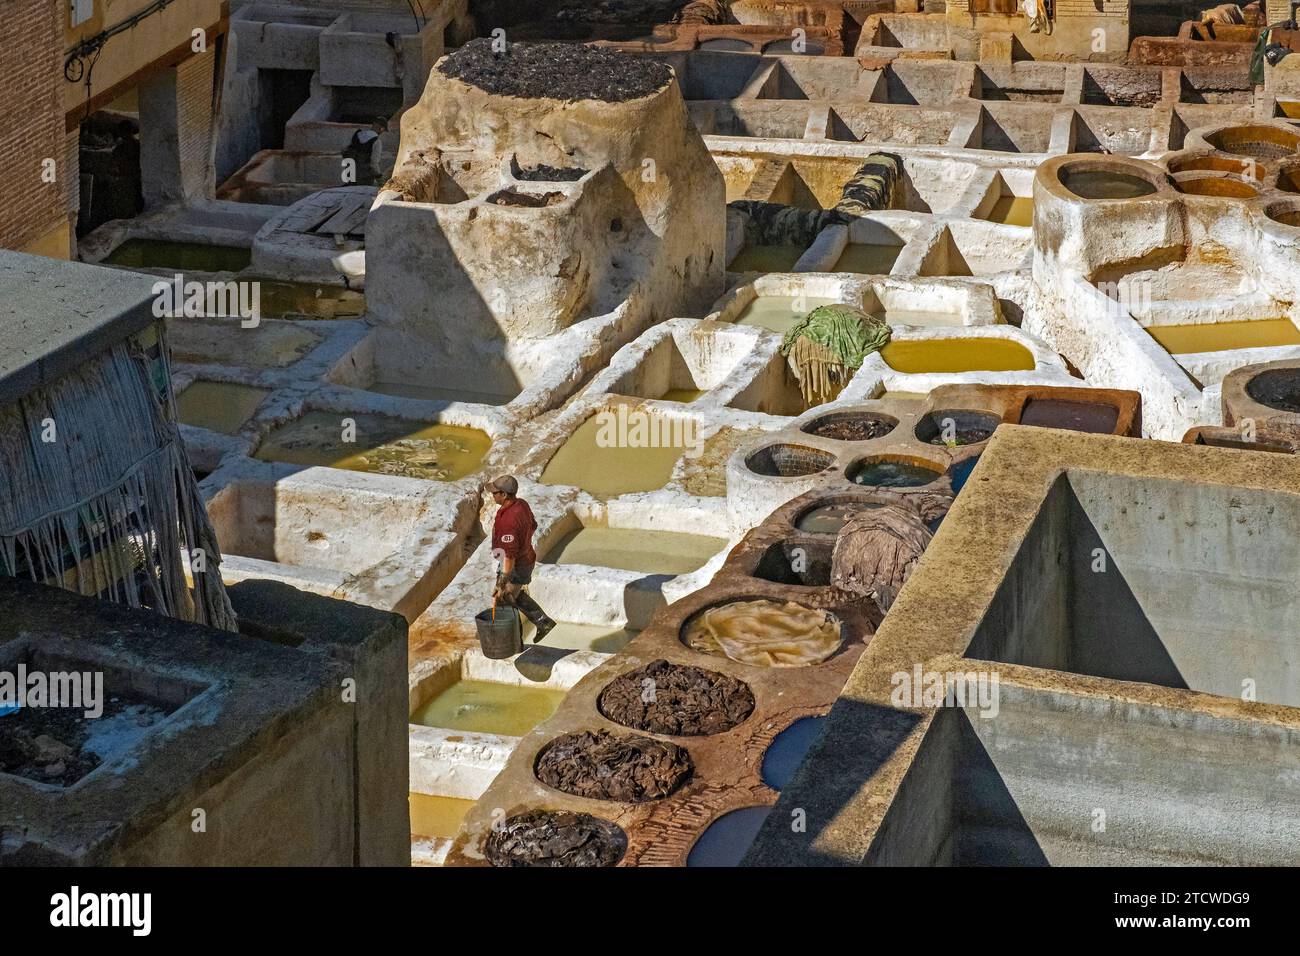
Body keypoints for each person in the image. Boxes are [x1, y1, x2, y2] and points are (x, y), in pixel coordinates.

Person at [487, 475, 556, 643]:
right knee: (511, 595)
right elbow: (533, 525)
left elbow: (510, 555)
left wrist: (503, 579)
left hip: (515, 565)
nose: (492, 495)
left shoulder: (509, 521)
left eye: (495, 492)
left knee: (504, 598)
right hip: (524, 557)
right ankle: (542, 621)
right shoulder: (521, 505)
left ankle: (513, 642)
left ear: (503, 494)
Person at [342, 117, 387, 186]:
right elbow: (373, 164)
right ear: (382, 129)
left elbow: (344, 151)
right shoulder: (376, 141)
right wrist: (379, 177)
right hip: (364, 180)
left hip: (350, 178)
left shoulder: (357, 135)